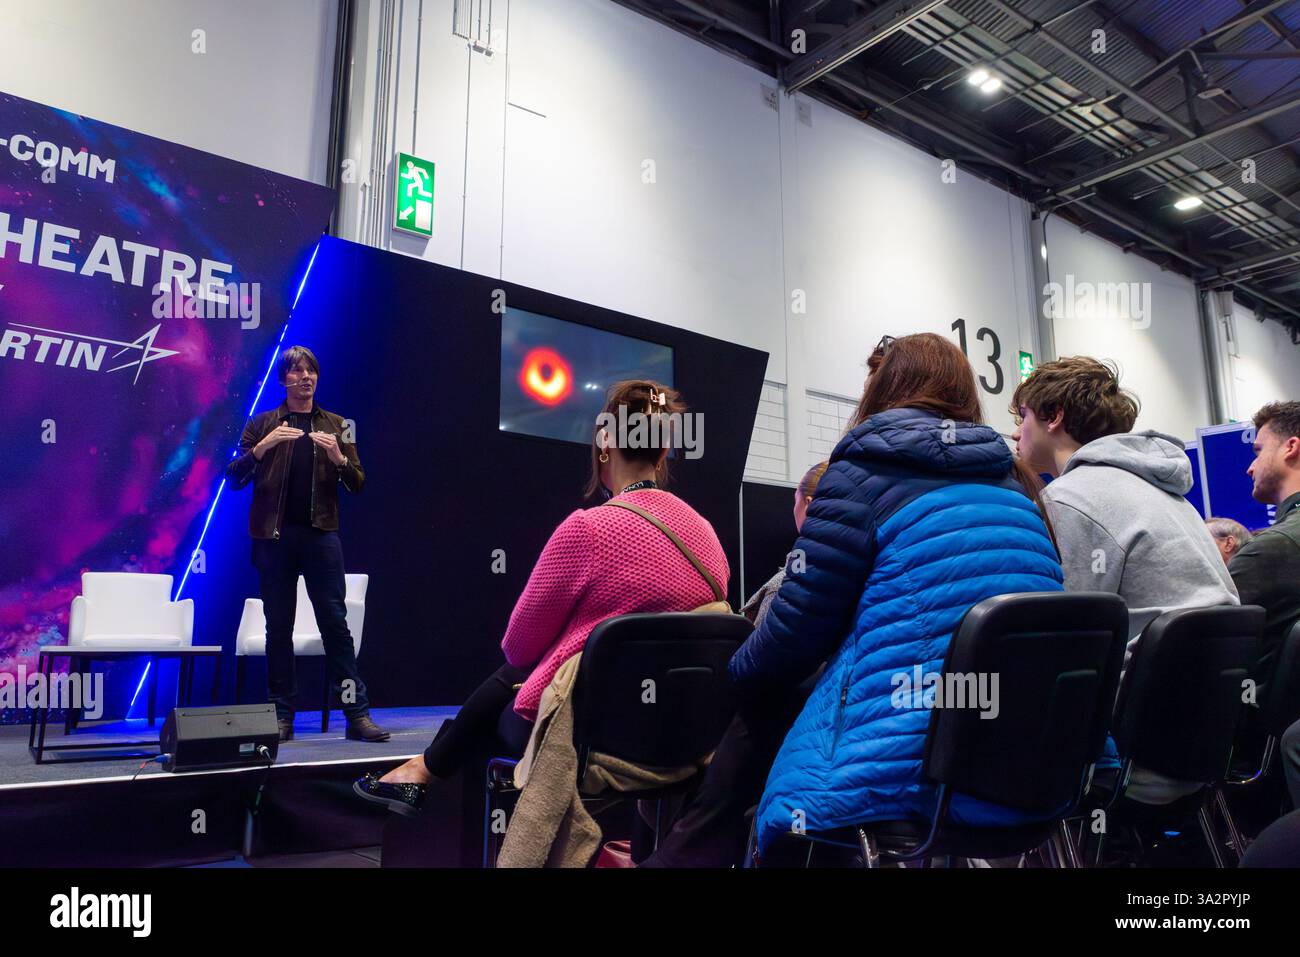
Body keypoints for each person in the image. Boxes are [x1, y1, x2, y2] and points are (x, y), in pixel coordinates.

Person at [717, 333, 1064, 860]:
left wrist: (732, 674)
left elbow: (795, 630)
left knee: (766, 720)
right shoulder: (1017, 486)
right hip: (1034, 760)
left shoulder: (858, 475)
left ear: (883, 389)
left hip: (909, 768)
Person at [352, 380, 729, 814]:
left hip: (590, 737)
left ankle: (423, 773)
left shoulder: (588, 529)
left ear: (604, 444)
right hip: (686, 738)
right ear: (663, 452)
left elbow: (518, 646)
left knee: (512, 677)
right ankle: (421, 769)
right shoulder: (707, 535)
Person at [1010, 356, 1238, 804]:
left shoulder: (1070, 498)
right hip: (1199, 740)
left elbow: (1068, 643)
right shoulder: (1173, 496)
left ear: (1054, 417)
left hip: (1131, 750)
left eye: (1023, 418)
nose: (1017, 433)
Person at [226, 346, 389, 743]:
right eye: (297, 371)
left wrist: (338, 458)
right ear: (284, 379)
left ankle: (357, 715)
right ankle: (282, 717)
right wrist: (263, 448)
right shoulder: (261, 423)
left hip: (321, 535)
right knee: (277, 627)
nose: (305, 377)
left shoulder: (338, 424)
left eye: (311, 371)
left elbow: (359, 483)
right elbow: (233, 477)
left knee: (335, 624)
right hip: (273, 537)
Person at [1228, 401, 1300, 690]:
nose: (1250, 468)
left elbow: (1199, 646)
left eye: (1258, 451)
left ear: (1291, 447)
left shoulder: (1274, 549)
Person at [738, 461, 828, 628]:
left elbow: (760, 650)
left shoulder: (784, 587)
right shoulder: (864, 571)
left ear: (808, 505)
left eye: (796, 499)